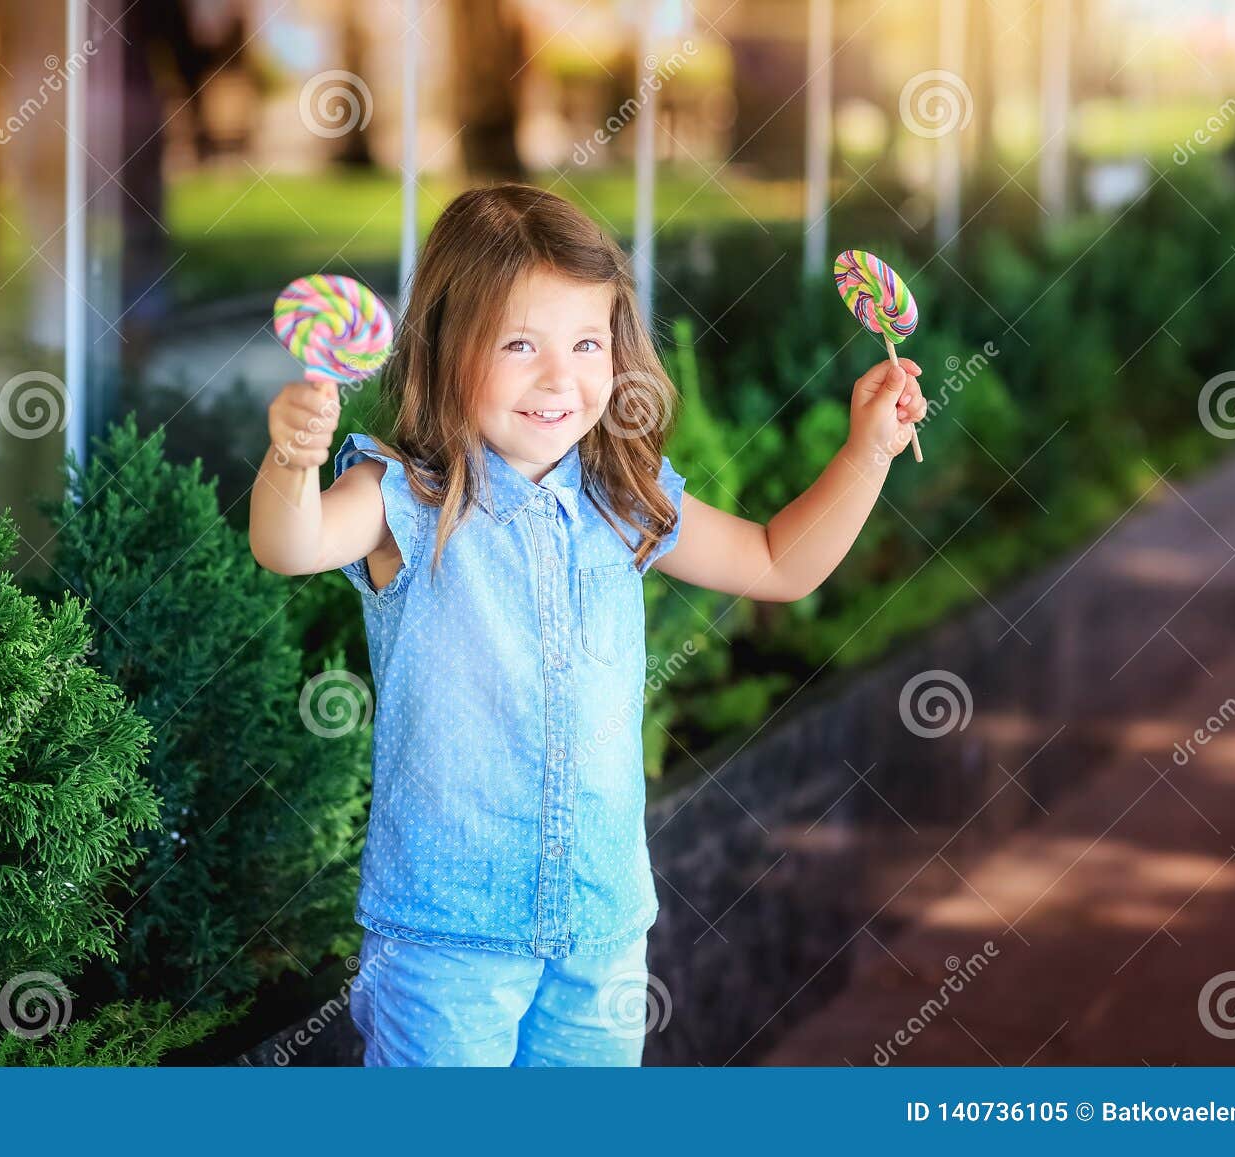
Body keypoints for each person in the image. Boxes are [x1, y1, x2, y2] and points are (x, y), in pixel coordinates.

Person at [248, 183, 926, 1066]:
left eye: (586, 343)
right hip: (446, 940)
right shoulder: (402, 495)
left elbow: (776, 562)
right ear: (449, 348)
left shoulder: (622, 497)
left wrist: (866, 448)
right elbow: (289, 543)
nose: (560, 378)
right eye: (519, 344)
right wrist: (292, 459)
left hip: (601, 930)